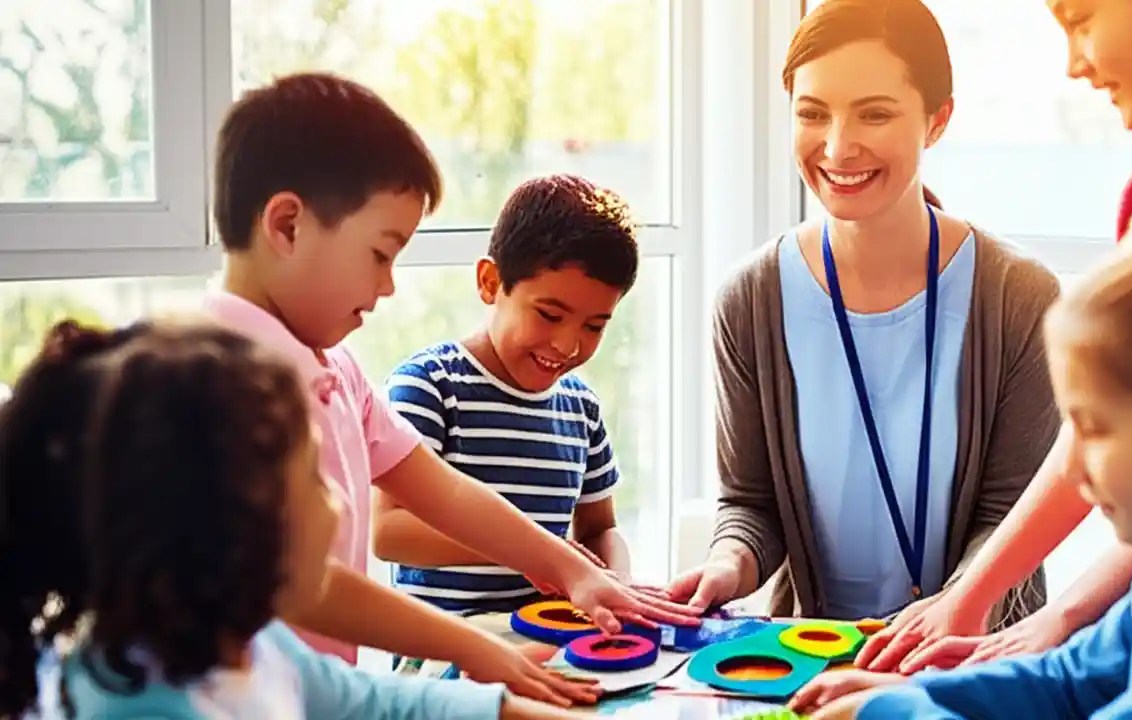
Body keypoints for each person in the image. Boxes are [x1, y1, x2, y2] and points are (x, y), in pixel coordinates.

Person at [205, 71, 695, 702]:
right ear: (288, 225)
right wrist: (476, 648)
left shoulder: (337, 369)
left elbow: (444, 491)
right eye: (381, 255)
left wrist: (575, 570)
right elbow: (306, 583)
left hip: (318, 696)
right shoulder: (211, 381)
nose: (387, 287)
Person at [856, 0, 1132, 674]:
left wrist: (1066, 617)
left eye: (1081, 20)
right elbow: (1096, 434)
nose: (1074, 64)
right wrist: (976, 597)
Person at [666, 0, 1060, 626]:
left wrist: (950, 612)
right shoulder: (749, 301)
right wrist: (726, 564)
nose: (838, 146)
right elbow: (750, 504)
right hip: (806, 660)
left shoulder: (1019, 300)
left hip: (968, 662)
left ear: (937, 121)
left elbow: (1012, 518)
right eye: (812, 113)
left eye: (874, 114)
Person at [793, 228, 1132, 719]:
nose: (1069, 466)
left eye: (1095, 428)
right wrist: (899, 698)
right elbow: (1071, 681)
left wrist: (889, 716)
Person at [0, 320, 593, 720]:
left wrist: (505, 707)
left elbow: (377, 702)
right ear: (232, 523)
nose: (338, 494)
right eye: (313, 475)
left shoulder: (252, 639)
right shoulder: (133, 704)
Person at [376, 174, 640, 615]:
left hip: (549, 649)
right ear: (490, 282)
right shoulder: (429, 387)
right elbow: (388, 532)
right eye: (549, 314)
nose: (568, 345)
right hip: (446, 656)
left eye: (594, 326)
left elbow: (599, 529)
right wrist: (537, 552)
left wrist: (615, 580)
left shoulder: (582, 408)